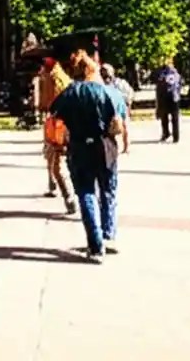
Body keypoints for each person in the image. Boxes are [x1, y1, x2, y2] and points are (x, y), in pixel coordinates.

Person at [50, 50, 127, 262]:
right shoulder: (110, 92)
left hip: (79, 145)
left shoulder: (70, 93)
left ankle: (95, 244)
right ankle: (108, 235)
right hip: (105, 145)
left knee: (85, 192)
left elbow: (55, 114)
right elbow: (120, 119)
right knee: (108, 190)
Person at [36, 57, 76, 213]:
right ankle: (70, 193)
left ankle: (68, 196)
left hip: (56, 127)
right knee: (64, 162)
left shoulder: (50, 80)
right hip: (69, 125)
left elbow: (45, 104)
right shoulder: (66, 81)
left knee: (56, 163)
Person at [100, 62, 134, 154]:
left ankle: (126, 147)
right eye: (102, 72)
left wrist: (128, 105)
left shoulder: (120, 83)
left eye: (106, 72)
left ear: (112, 73)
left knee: (125, 126)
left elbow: (130, 94)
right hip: (108, 109)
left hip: (121, 107)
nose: (105, 75)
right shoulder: (100, 85)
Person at [153, 58, 182, 143]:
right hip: (175, 98)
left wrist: (158, 101)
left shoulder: (162, 75)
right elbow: (179, 86)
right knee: (175, 118)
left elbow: (159, 88)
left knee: (164, 117)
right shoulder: (177, 74)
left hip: (164, 98)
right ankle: (176, 137)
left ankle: (166, 133)